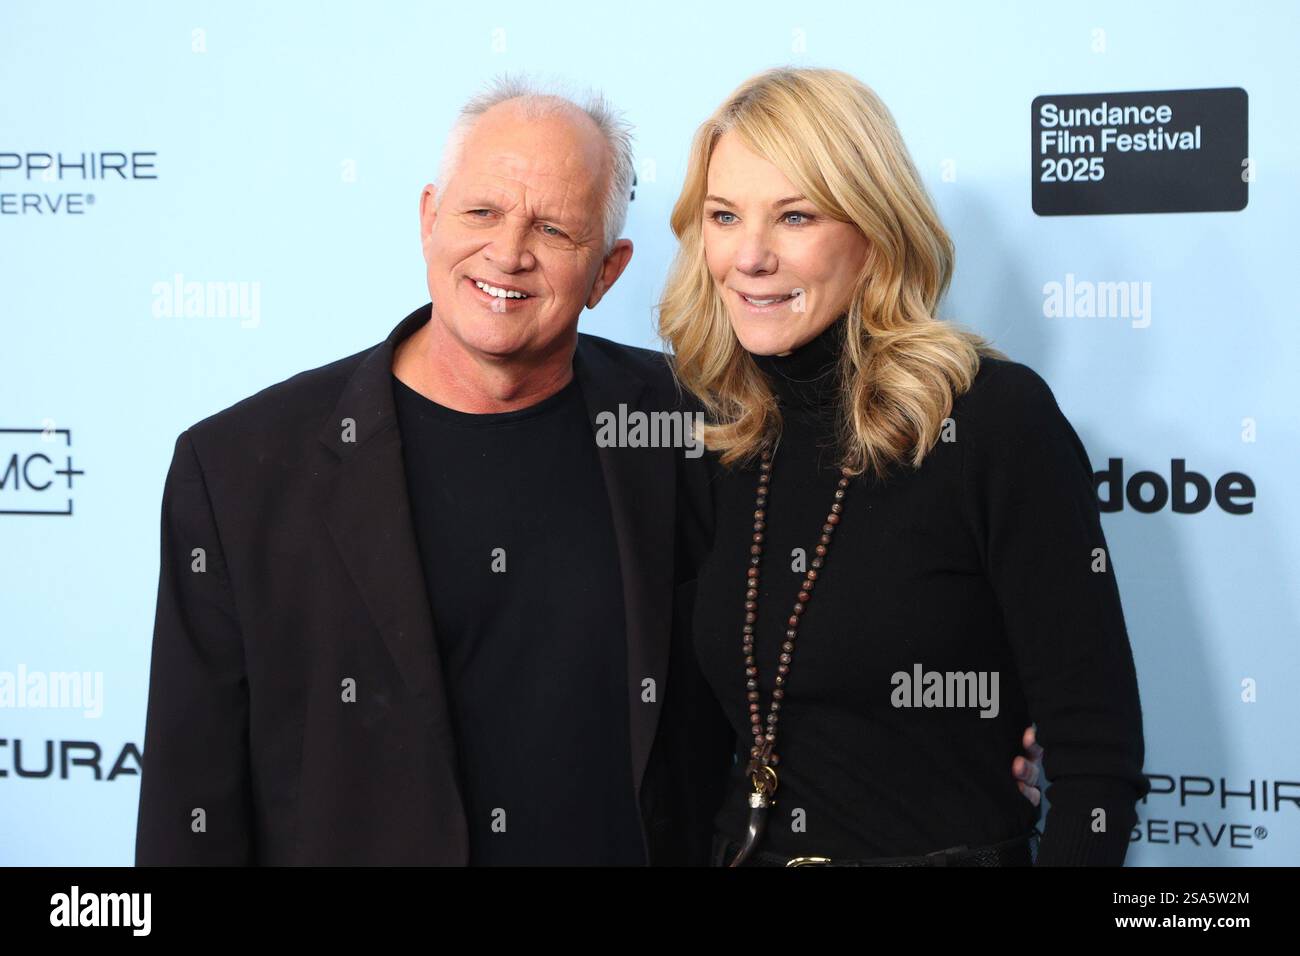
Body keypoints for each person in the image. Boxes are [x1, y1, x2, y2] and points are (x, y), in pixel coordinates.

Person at [136, 74, 1042, 866]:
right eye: (481, 211)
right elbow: (190, 798)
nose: (508, 252)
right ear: (427, 218)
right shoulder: (243, 468)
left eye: (554, 228)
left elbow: (828, 619)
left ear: (608, 270)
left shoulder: (699, 428)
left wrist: (981, 727)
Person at [658, 67, 1148, 866]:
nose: (749, 255)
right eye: (723, 215)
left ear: (874, 229)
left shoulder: (993, 422)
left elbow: (1097, 766)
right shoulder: (720, 437)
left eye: (795, 216)